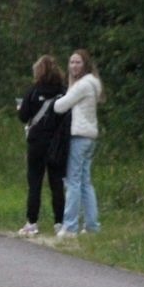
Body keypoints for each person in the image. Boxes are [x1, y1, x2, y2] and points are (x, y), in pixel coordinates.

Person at [53, 49, 104, 237]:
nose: (74, 66)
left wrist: (57, 101)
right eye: (71, 62)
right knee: (85, 182)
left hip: (79, 135)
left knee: (73, 181)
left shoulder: (82, 85)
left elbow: (61, 106)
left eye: (78, 62)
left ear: (86, 65)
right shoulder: (94, 83)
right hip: (90, 135)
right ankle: (91, 225)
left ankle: (70, 226)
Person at [15, 55, 66, 236]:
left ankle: (32, 222)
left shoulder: (33, 91)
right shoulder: (63, 91)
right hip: (57, 143)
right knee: (57, 183)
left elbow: (23, 117)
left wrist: (21, 109)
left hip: (37, 142)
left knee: (35, 182)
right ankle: (59, 222)